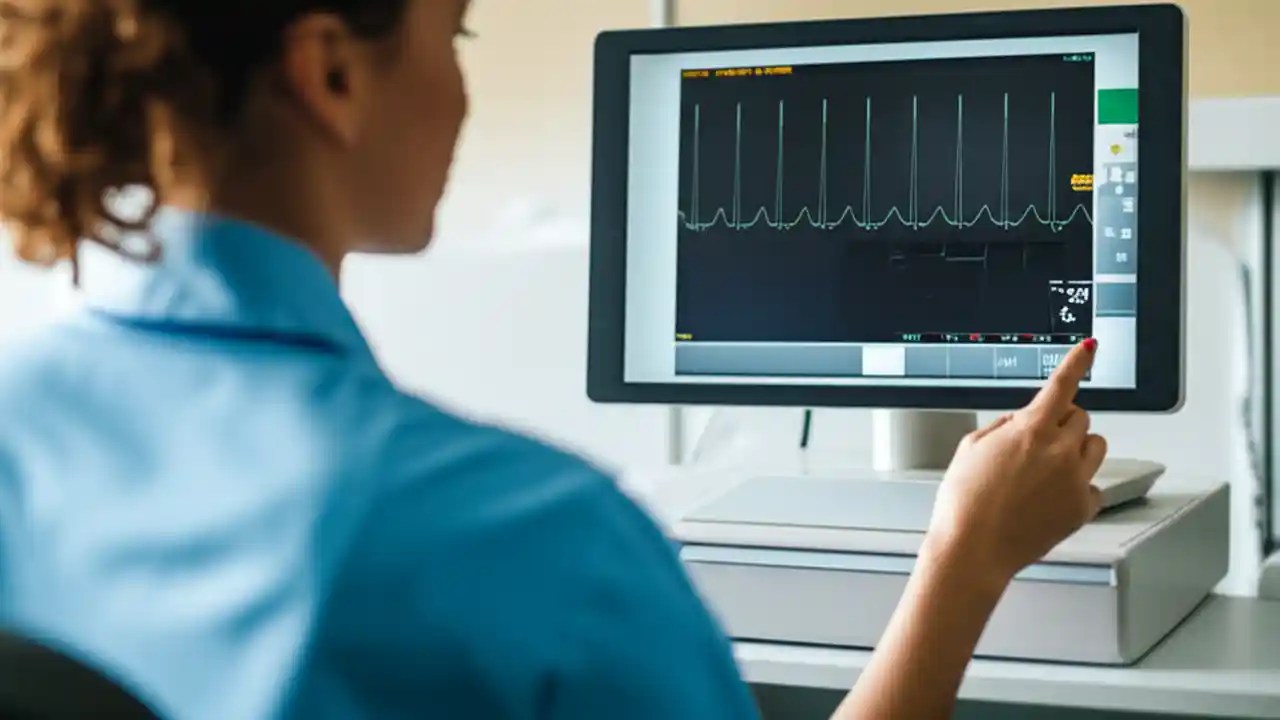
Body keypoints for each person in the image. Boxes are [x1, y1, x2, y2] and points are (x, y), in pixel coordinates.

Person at [0, 1, 1108, 718]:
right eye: (457, 36)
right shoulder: (530, 537)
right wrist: (968, 558)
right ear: (329, 74)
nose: (462, 90)